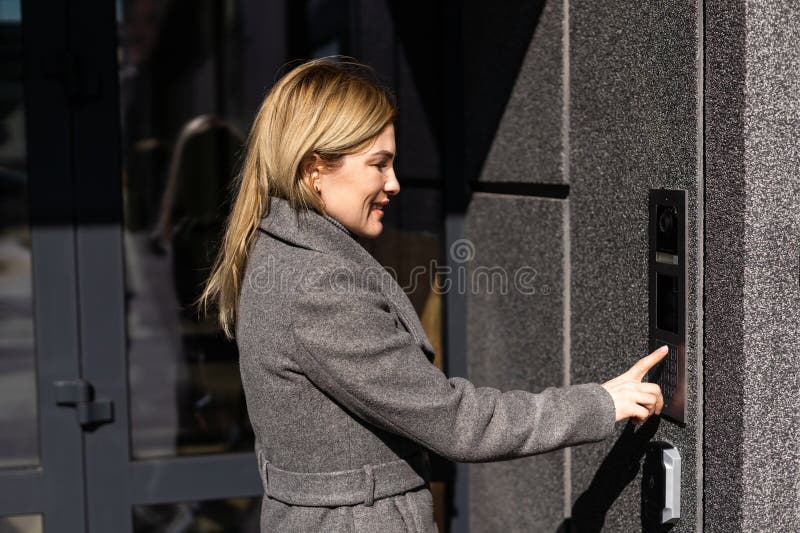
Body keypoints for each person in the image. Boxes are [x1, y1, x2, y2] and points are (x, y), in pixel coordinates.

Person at [199, 57, 666, 533]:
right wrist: (601, 403)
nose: (394, 183)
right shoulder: (319, 288)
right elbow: (458, 423)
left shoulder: (277, 250)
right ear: (314, 169)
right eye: (378, 164)